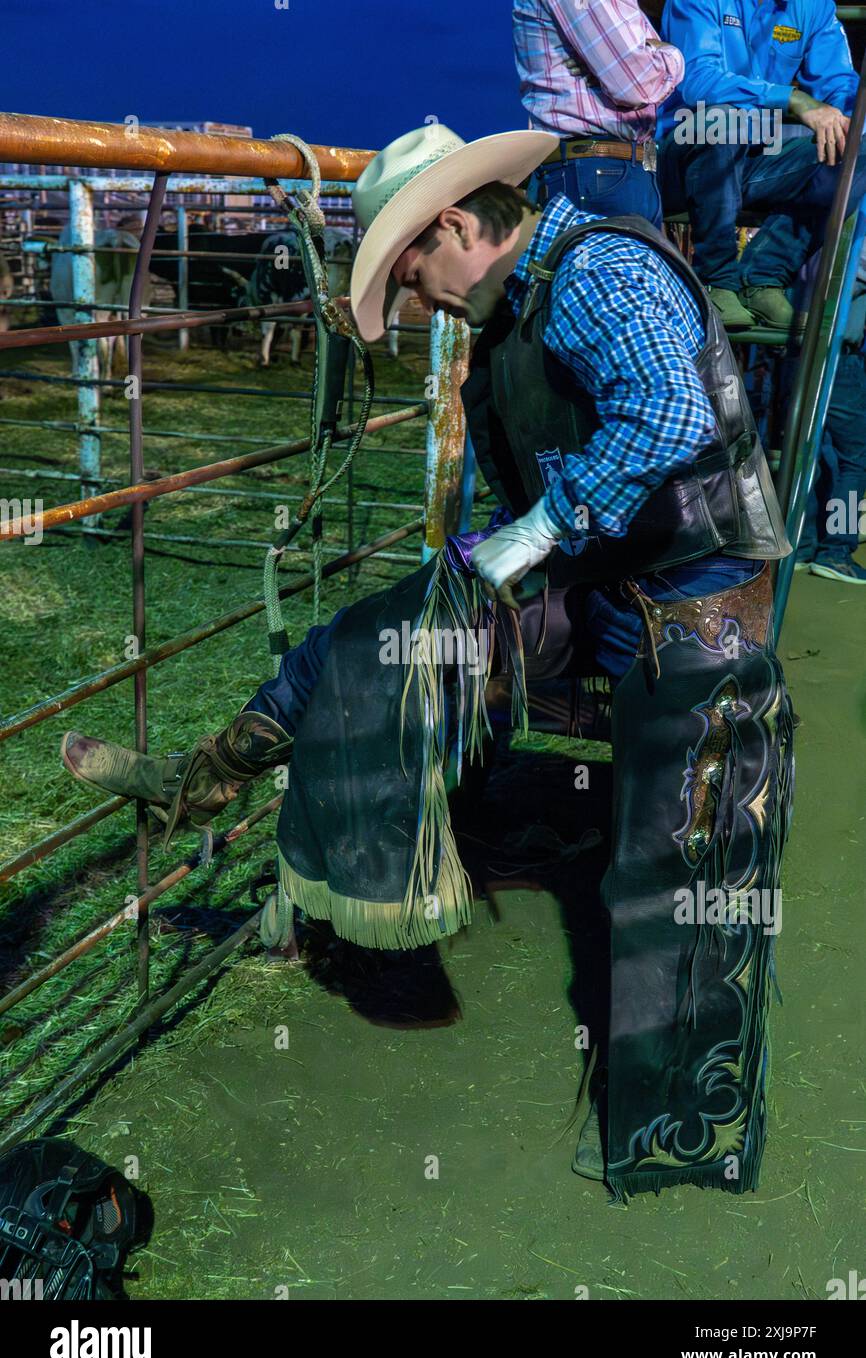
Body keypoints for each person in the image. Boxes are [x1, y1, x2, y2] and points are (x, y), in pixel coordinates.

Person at [60, 123, 795, 1201]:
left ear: (457, 225)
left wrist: (537, 531)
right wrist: (511, 543)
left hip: (691, 592)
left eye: (412, 273)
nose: (420, 302)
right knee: (369, 642)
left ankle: (676, 1119)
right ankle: (210, 769)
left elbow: (670, 414)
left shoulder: (596, 270)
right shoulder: (525, 298)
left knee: (675, 858)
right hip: (593, 574)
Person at [657, 0, 866, 330]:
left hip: (750, 160)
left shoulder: (811, 6)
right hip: (677, 158)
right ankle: (716, 282)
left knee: (859, 149)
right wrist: (794, 99)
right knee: (723, 120)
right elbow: (698, 79)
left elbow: (839, 82)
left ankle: (764, 280)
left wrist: (848, 122)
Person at [514, 0, 683, 224]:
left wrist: (646, 55)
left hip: (613, 169)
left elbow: (632, 76)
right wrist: (673, 54)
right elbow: (637, 83)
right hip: (597, 170)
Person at [789, 239, 866, 583]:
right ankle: (836, 550)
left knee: (815, 451)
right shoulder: (855, 237)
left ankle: (804, 544)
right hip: (837, 354)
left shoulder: (824, 234)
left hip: (800, 350)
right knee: (856, 457)